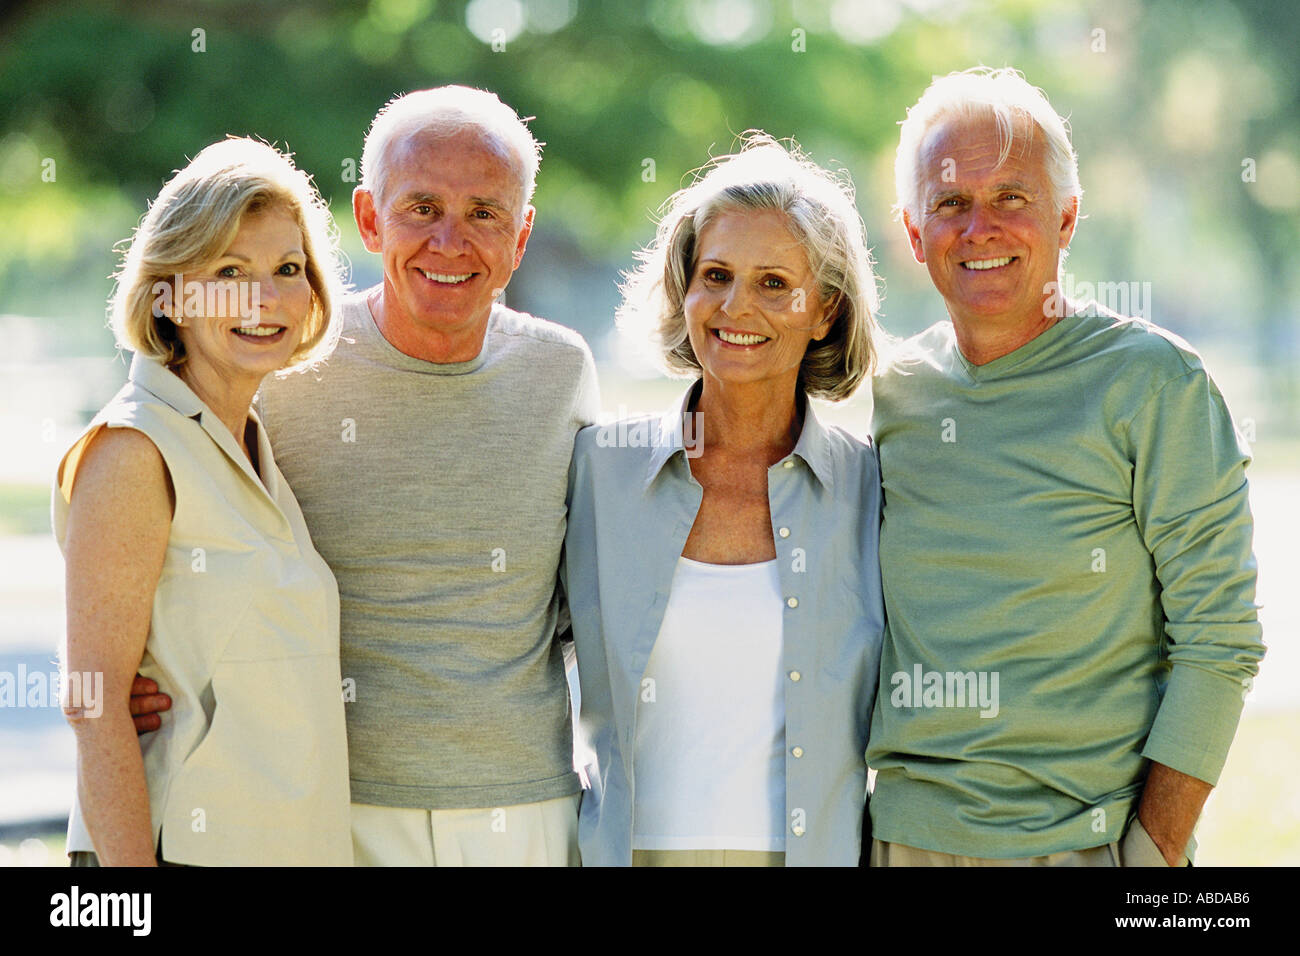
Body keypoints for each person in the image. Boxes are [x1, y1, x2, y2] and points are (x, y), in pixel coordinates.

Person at [134, 87, 600, 866]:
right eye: (422, 207)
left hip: (525, 808)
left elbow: (590, 584)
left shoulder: (562, 370)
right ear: (371, 217)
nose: (451, 241)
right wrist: (132, 672)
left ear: (520, 237)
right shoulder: (280, 362)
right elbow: (164, 516)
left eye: (485, 213)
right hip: (329, 806)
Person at [866, 67, 1265, 866]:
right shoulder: (892, 396)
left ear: (1067, 218)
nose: (979, 226)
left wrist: (1150, 857)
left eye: (1012, 196)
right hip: (904, 844)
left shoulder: (1154, 384)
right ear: (915, 236)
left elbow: (1220, 643)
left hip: (1089, 849)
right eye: (949, 202)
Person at [564, 133, 885, 866]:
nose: (737, 306)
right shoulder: (599, 474)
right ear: (686, 292)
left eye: (774, 283)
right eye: (716, 275)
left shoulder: (870, 491)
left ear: (825, 311)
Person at [54, 138, 351, 866]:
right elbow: (93, 702)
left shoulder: (250, 439)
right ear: (169, 293)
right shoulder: (134, 448)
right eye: (229, 272)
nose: (266, 298)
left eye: (287, 268)